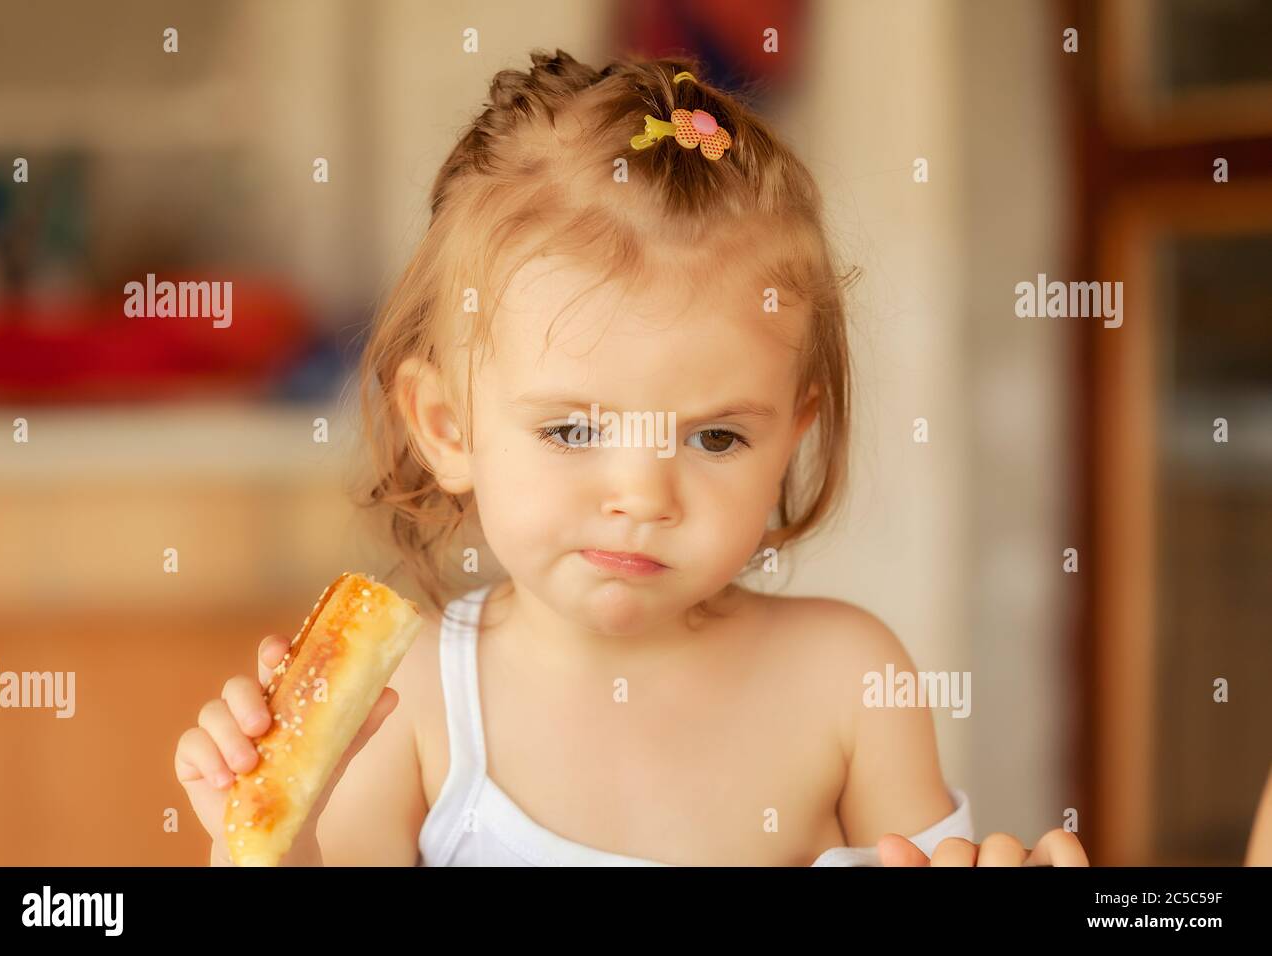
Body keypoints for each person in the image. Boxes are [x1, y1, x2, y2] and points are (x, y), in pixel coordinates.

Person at [175, 50, 1088, 868]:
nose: (644, 494)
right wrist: (262, 838)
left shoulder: (850, 685)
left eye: (716, 437)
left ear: (791, 438)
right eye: (573, 431)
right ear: (448, 427)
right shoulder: (410, 709)